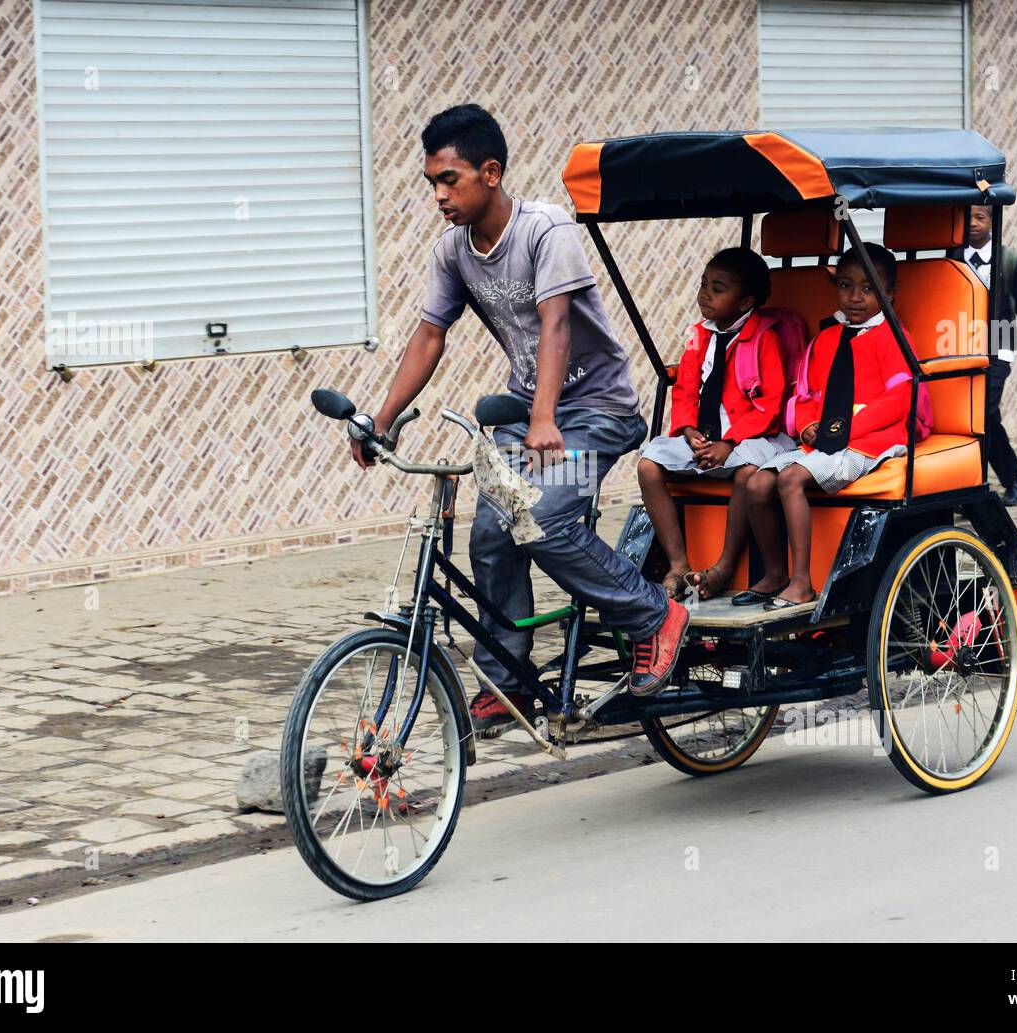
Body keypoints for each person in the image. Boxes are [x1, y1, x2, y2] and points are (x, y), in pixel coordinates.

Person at [352, 104, 689, 728]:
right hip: (533, 416)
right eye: (431, 182)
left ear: (491, 172)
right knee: (490, 533)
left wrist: (542, 418)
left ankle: (652, 612)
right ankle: (507, 683)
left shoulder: (545, 230)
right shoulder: (453, 250)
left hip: (598, 411)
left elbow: (557, 323)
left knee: (546, 521)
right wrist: (381, 418)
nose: (439, 195)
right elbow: (430, 334)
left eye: (449, 180)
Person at [739, 243, 922, 609]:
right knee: (756, 482)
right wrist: (808, 424)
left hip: (870, 439)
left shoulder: (892, 337)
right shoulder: (827, 338)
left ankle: (802, 582)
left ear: (889, 295)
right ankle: (775, 572)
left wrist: (844, 428)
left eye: (868, 289)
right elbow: (806, 393)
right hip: (825, 439)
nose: (855, 298)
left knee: (790, 479)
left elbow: (900, 399)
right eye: (845, 286)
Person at [636, 248, 795, 602]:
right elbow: (686, 390)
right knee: (648, 466)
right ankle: (678, 564)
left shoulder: (764, 338)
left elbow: (769, 404)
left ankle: (723, 566)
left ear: (745, 302)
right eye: (703, 285)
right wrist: (687, 429)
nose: (705, 295)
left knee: (747, 472)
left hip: (752, 434)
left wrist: (730, 441)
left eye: (718, 289)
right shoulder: (699, 335)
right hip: (705, 435)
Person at [957, 204, 1017, 506]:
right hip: (958, 347)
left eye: (980, 217)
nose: (973, 223)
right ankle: (1014, 478)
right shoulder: (951, 259)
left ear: (992, 221)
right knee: (984, 417)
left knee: (980, 415)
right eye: (967, 217)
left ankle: (975, 487)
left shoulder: (1010, 261)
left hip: (998, 349)